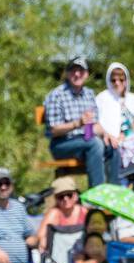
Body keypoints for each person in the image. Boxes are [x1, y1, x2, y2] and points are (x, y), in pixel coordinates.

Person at [43, 56, 107, 186]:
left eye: (81, 71)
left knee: (112, 148)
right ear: (67, 73)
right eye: (73, 70)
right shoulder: (56, 95)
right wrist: (77, 124)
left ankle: (113, 195)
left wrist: (105, 134)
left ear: (87, 74)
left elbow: (94, 126)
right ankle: (97, 196)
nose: (77, 74)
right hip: (61, 144)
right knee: (95, 145)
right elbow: (53, 130)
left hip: (85, 140)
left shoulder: (89, 94)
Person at [95, 62, 134, 186]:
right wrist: (109, 135)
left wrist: (126, 135)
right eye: (113, 80)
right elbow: (94, 124)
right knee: (115, 150)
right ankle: (116, 187)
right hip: (110, 141)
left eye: (121, 79)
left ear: (126, 80)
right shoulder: (102, 98)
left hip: (130, 139)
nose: (117, 83)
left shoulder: (132, 99)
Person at [36, 175, 87, 253]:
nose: (65, 199)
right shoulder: (54, 214)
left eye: (69, 195)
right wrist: (44, 239)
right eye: (61, 196)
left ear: (76, 195)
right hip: (60, 254)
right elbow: (41, 236)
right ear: (56, 199)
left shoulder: (84, 212)